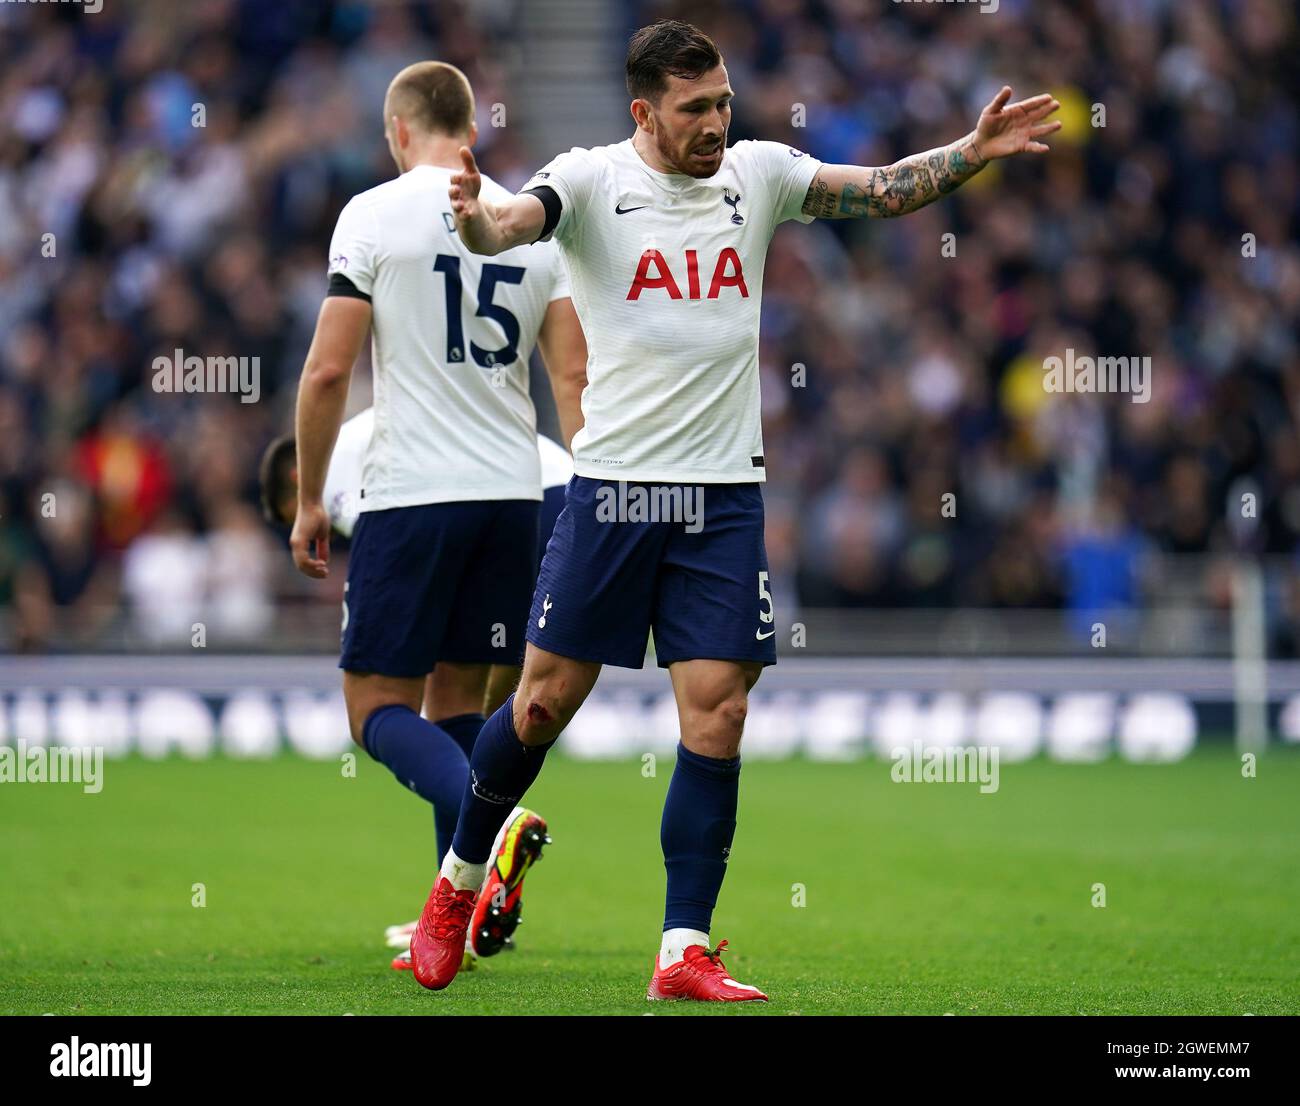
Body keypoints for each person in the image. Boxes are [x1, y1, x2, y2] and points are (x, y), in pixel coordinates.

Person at [411, 20, 1060, 1001]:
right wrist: (468, 217)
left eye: (721, 102)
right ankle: (456, 883)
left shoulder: (755, 175)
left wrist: (970, 153)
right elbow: (504, 226)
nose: (716, 124)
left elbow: (878, 189)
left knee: (718, 714)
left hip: (722, 496)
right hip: (615, 488)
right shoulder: (589, 181)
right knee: (541, 703)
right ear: (643, 113)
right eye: (694, 110)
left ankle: (682, 947)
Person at [287, 61, 587, 969]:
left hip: (414, 493)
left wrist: (308, 497)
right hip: (514, 497)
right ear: (470, 125)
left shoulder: (372, 216)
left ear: (397, 130)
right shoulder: (534, 224)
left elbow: (329, 372)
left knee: (373, 708)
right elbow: (573, 377)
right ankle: (448, 910)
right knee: (456, 699)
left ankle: (485, 827)